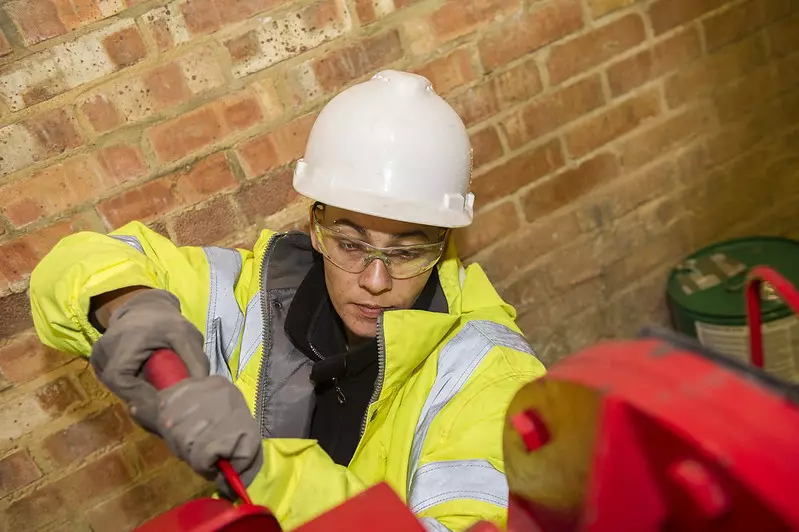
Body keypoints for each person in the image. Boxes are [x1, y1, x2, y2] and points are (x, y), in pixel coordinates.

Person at [29, 70, 546, 531]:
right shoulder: (260, 293)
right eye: (350, 243)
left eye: (407, 252)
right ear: (315, 230)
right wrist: (129, 303)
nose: (374, 280)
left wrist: (264, 473)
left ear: (441, 247)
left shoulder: (491, 376)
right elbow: (82, 261)